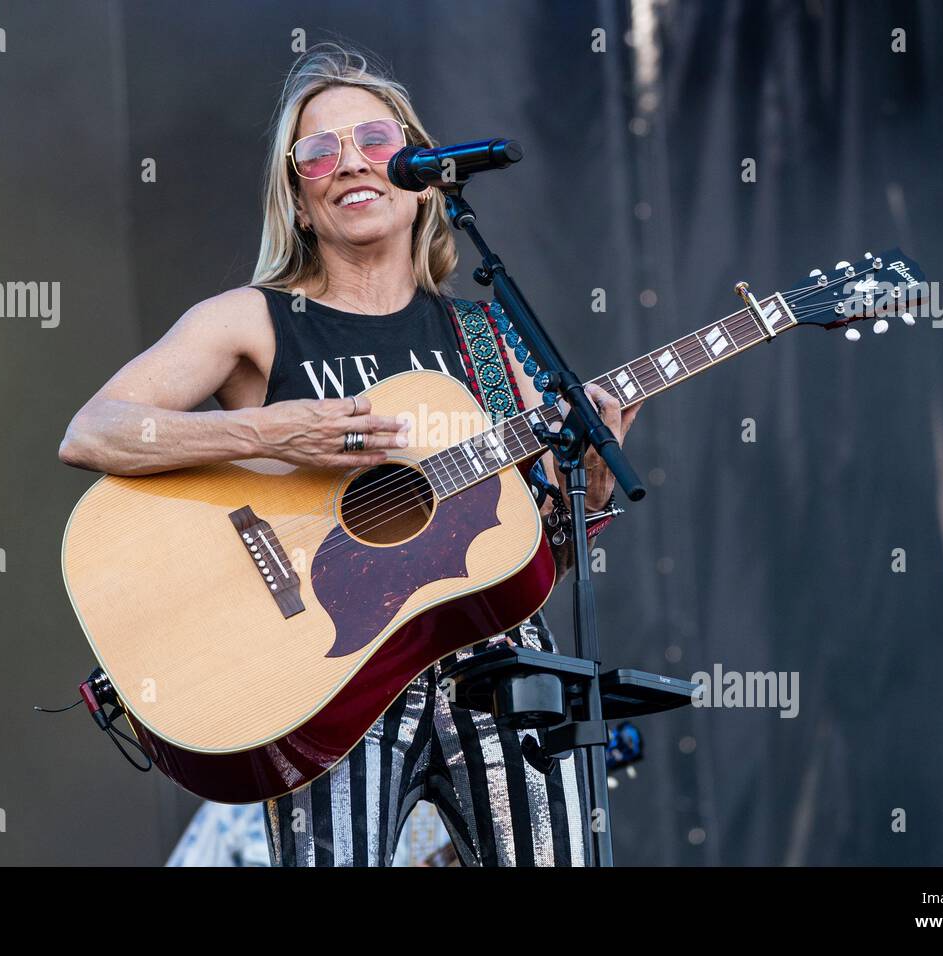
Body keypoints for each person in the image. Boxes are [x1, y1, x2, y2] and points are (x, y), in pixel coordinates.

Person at [59, 42, 639, 867]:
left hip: (494, 675)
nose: (351, 164)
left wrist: (591, 485)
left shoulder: (484, 336)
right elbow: (94, 431)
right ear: (297, 199)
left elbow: (525, 556)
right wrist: (271, 431)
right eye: (319, 153)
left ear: (420, 176)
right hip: (330, 680)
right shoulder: (250, 321)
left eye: (376, 141)